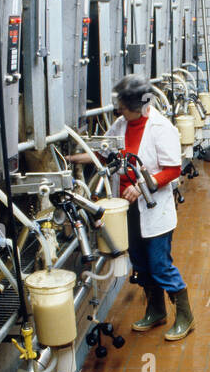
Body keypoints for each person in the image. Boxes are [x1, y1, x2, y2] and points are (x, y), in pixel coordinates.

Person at [78, 74, 194, 340]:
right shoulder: (121, 124)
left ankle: (185, 317)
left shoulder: (160, 127)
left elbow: (173, 169)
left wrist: (140, 186)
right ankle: (156, 311)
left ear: (137, 106)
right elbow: (102, 153)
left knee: (160, 265)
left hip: (154, 209)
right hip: (128, 210)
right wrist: (71, 157)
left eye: (123, 106)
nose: (118, 110)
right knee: (141, 263)